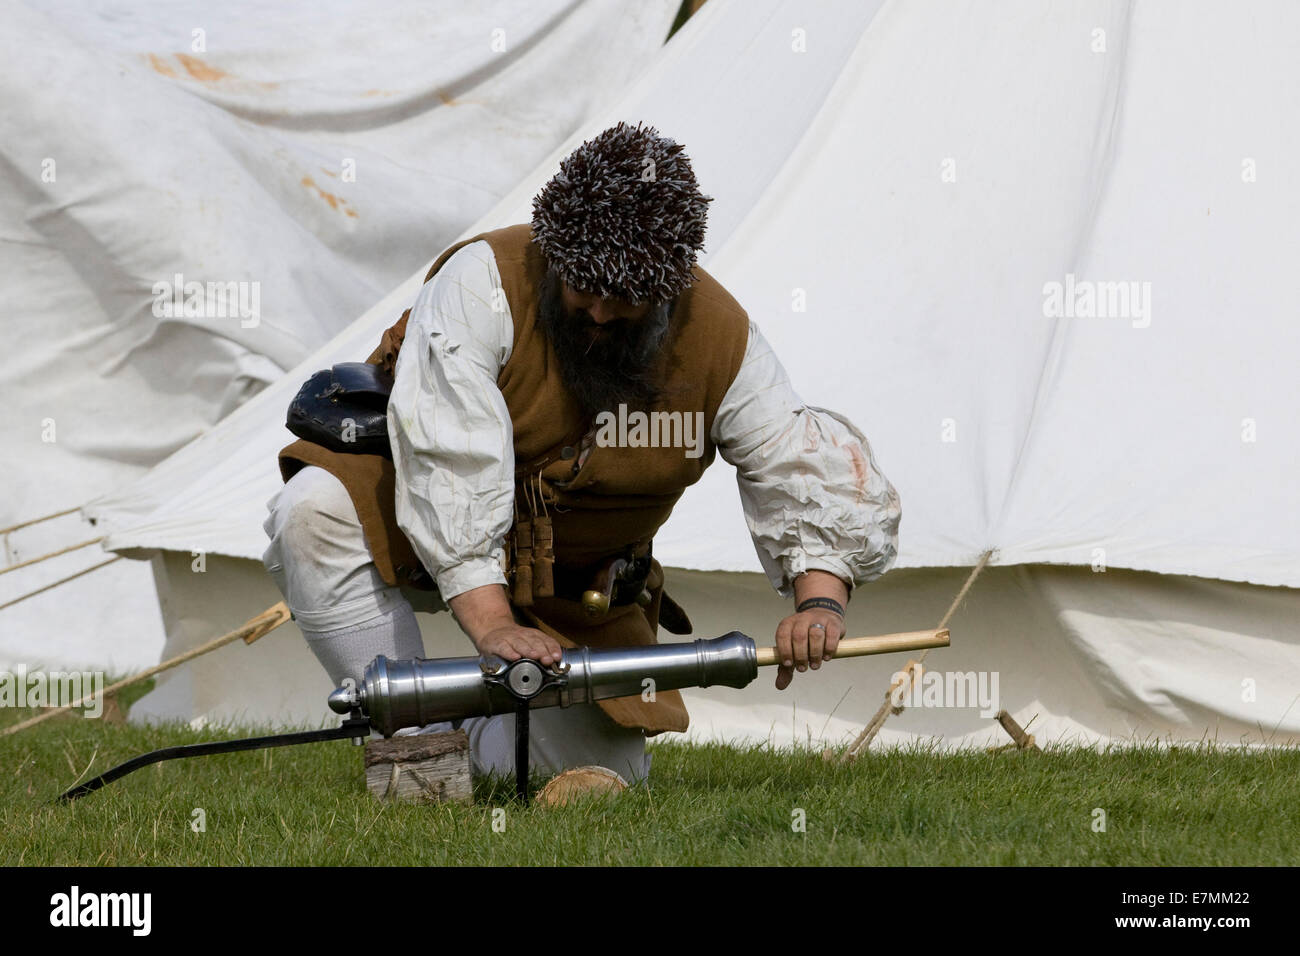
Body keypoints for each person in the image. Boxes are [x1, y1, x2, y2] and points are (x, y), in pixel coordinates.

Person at [261, 122, 900, 784]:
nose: (596, 314)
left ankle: (464, 755)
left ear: (667, 288)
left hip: (579, 593)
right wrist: (491, 625)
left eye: (621, 299)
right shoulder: (482, 283)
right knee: (313, 509)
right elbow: (450, 461)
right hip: (424, 537)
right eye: (581, 287)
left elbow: (795, 462)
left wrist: (819, 602)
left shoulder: (720, 336)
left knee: (602, 766)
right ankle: (413, 747)